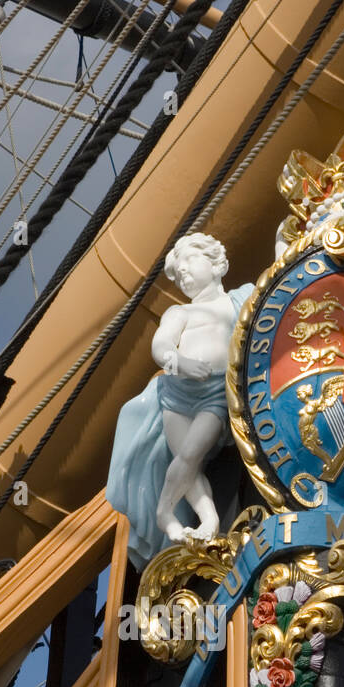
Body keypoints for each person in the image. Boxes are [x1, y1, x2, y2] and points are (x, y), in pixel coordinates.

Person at [107, 234, 252, 568]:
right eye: (179, 270)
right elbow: (161, 348)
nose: (184, 273)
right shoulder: (180, 311)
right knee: (188, 462)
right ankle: (208, 519)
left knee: (190, 454)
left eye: (190, 263)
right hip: (176, 394)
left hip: (216, 393)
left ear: (218, 264)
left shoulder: (236, 301)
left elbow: (274, 290)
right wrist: (181, 363)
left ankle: (164, 511)